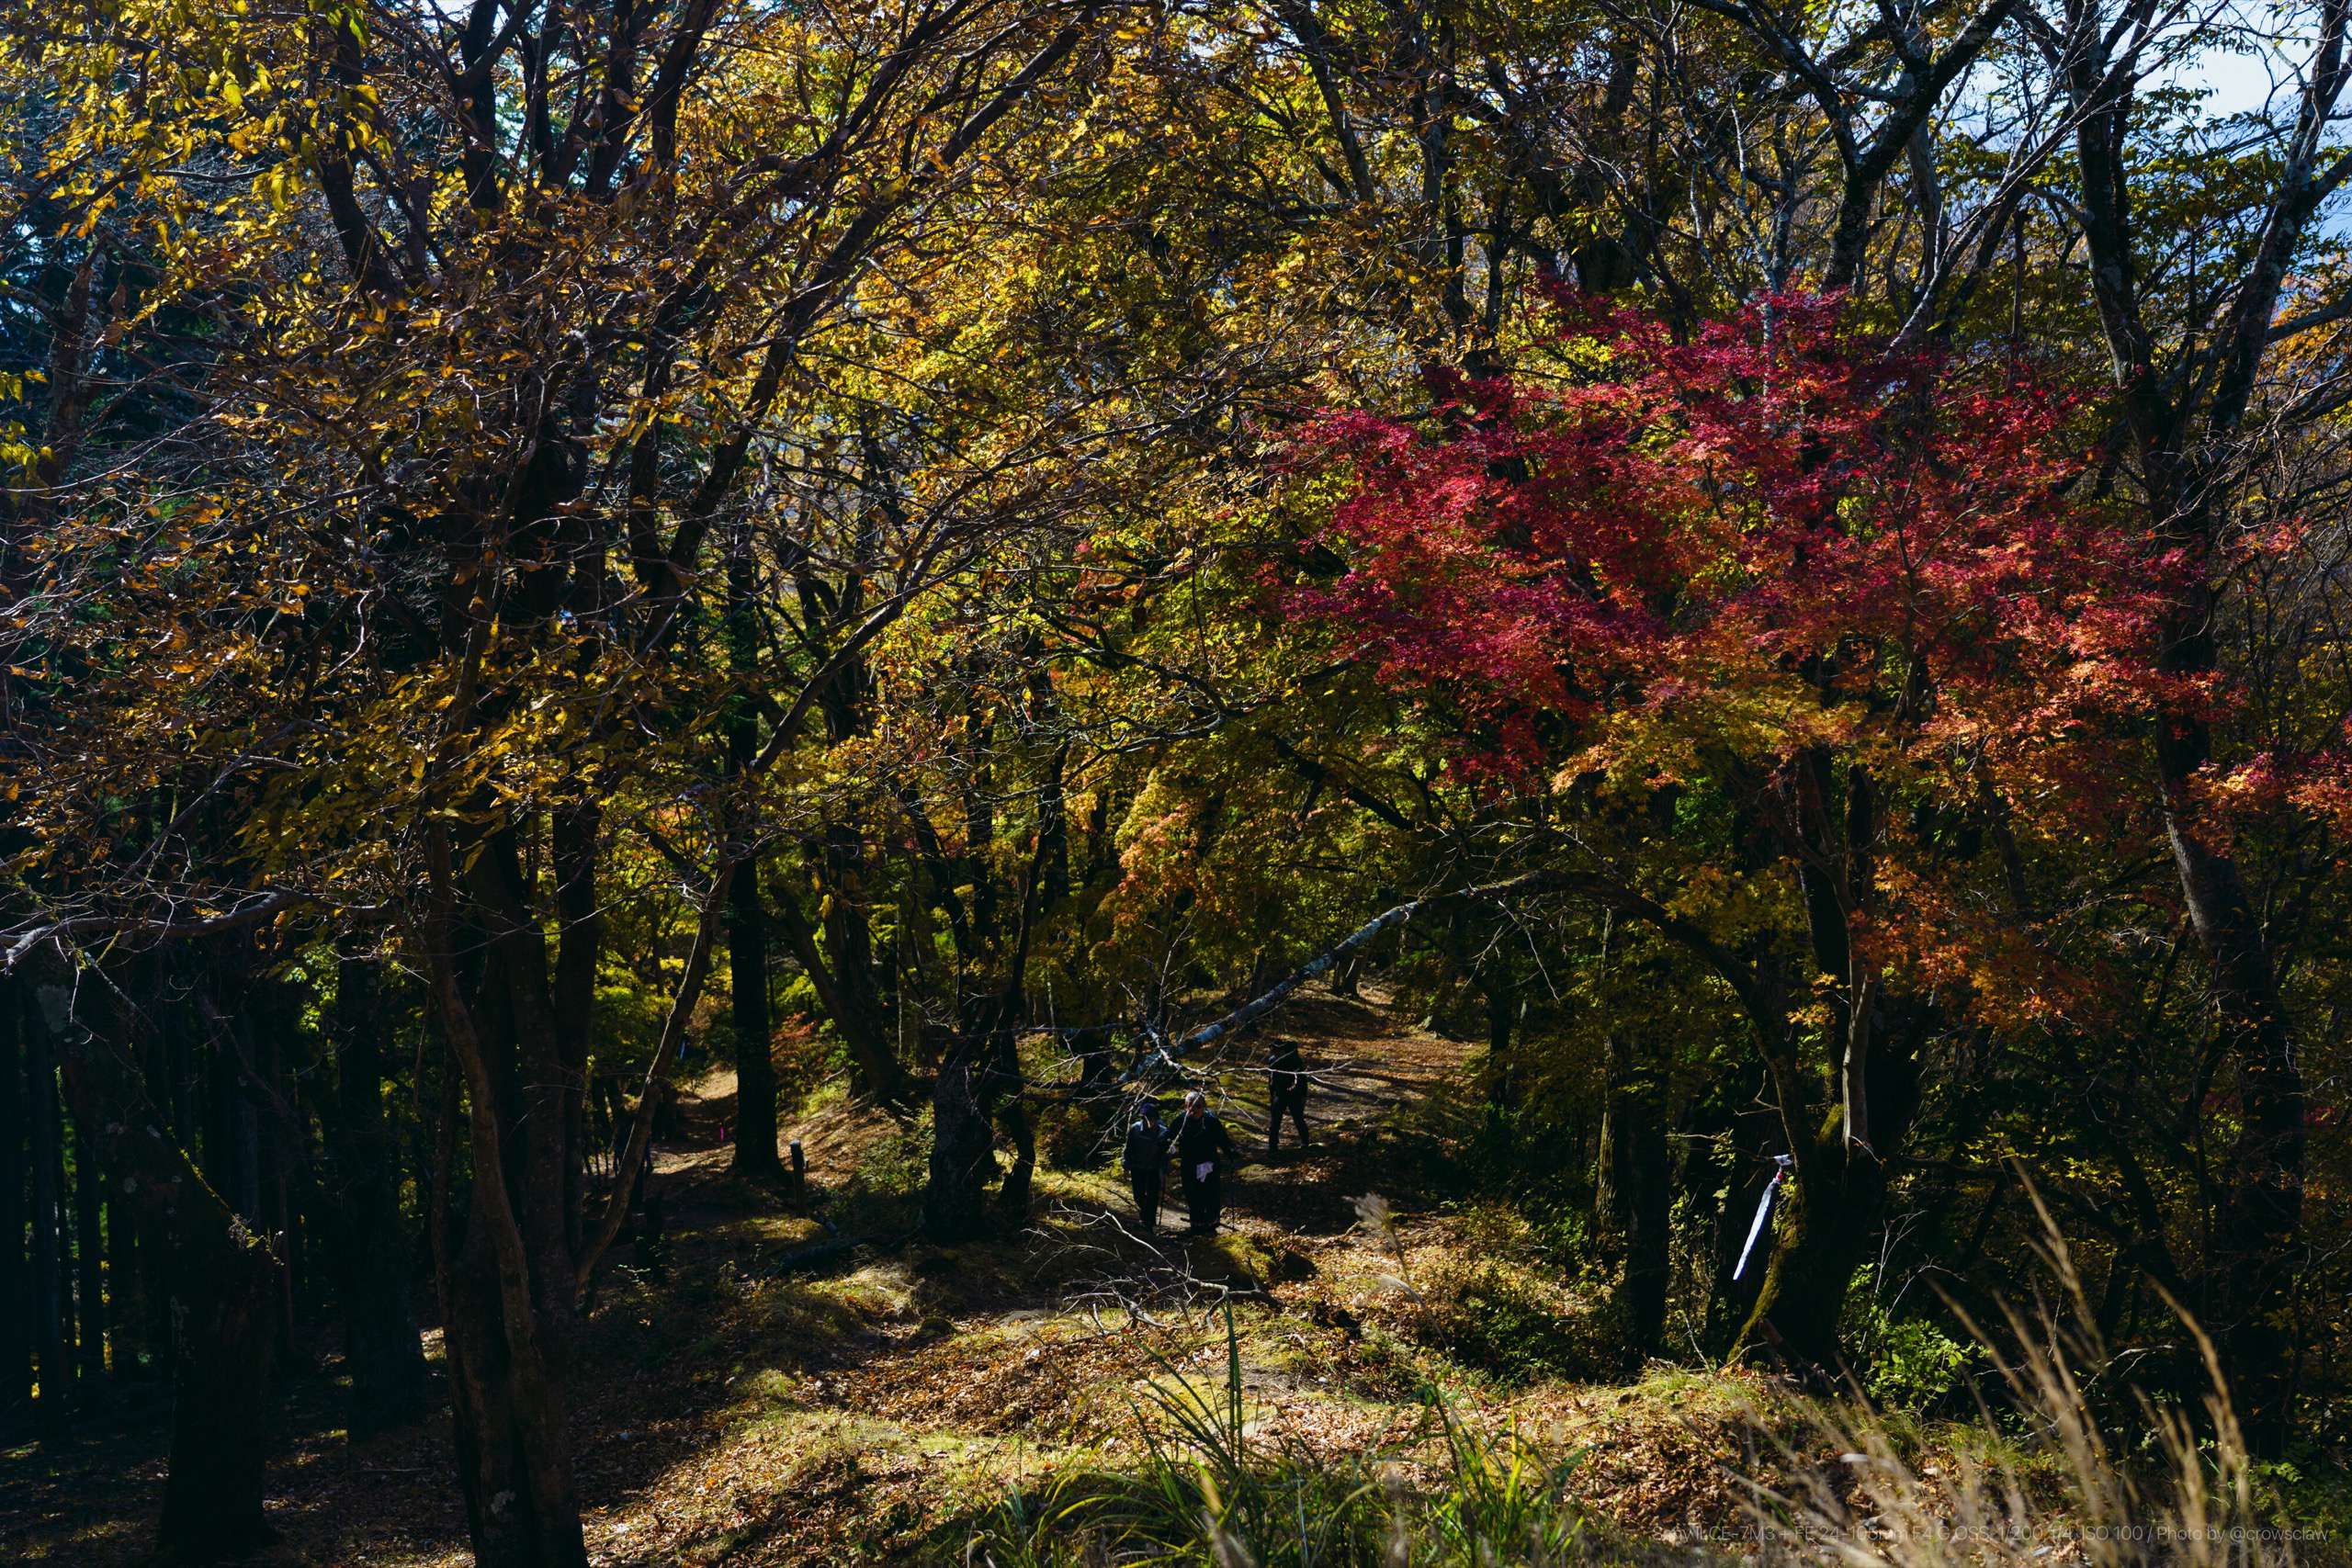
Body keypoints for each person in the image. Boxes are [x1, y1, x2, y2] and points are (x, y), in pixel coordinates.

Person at [1173, 1089, 1237, 1235]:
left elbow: (1223, 1140)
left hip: (1209, 1164)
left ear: (1204, 1107)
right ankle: (1196, 1225)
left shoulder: (1211, 1121)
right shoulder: (1180, 1121)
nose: (1194, 1110)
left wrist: (1231, 1153)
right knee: (1192, 1195)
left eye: (1198, 1106)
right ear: (1185, 1106)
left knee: (1210, 1195)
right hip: (1189, 1164)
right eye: (1190, 1106)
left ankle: (1211, 1225)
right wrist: (1162, 1149)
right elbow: (1168, 1136)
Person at [1121, 1098, 1171, 1235]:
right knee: (1138, 1196)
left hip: (1154, 1168)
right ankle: (1147, 1217)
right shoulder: (1135, 1129)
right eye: (1148, 1118)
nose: (1150, 1121)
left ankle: (1147, 1223)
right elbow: (1128, 1148)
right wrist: (1125, 1164)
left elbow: (1166, 1153)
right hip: (1137, 1167)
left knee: (1152, 1196)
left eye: (1153, 1118)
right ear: (1143, 1117)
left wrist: (1166, 1167)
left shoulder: (1163, 1132)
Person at [1266, 1039, 1310, 1156]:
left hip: (1294, 1095)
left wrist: (1303, 1095)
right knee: (1275, 1122)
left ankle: (1305, 1142)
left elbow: (1302, 1080)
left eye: (1277, 1049)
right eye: (1273, 1049)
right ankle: (1272, 1146)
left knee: (1298, 1119)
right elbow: (1271, 1080)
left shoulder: (1295, 1061)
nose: (1274, 1051)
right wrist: (1272, 1094)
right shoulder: (1272, 1060)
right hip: (1279, 1094)